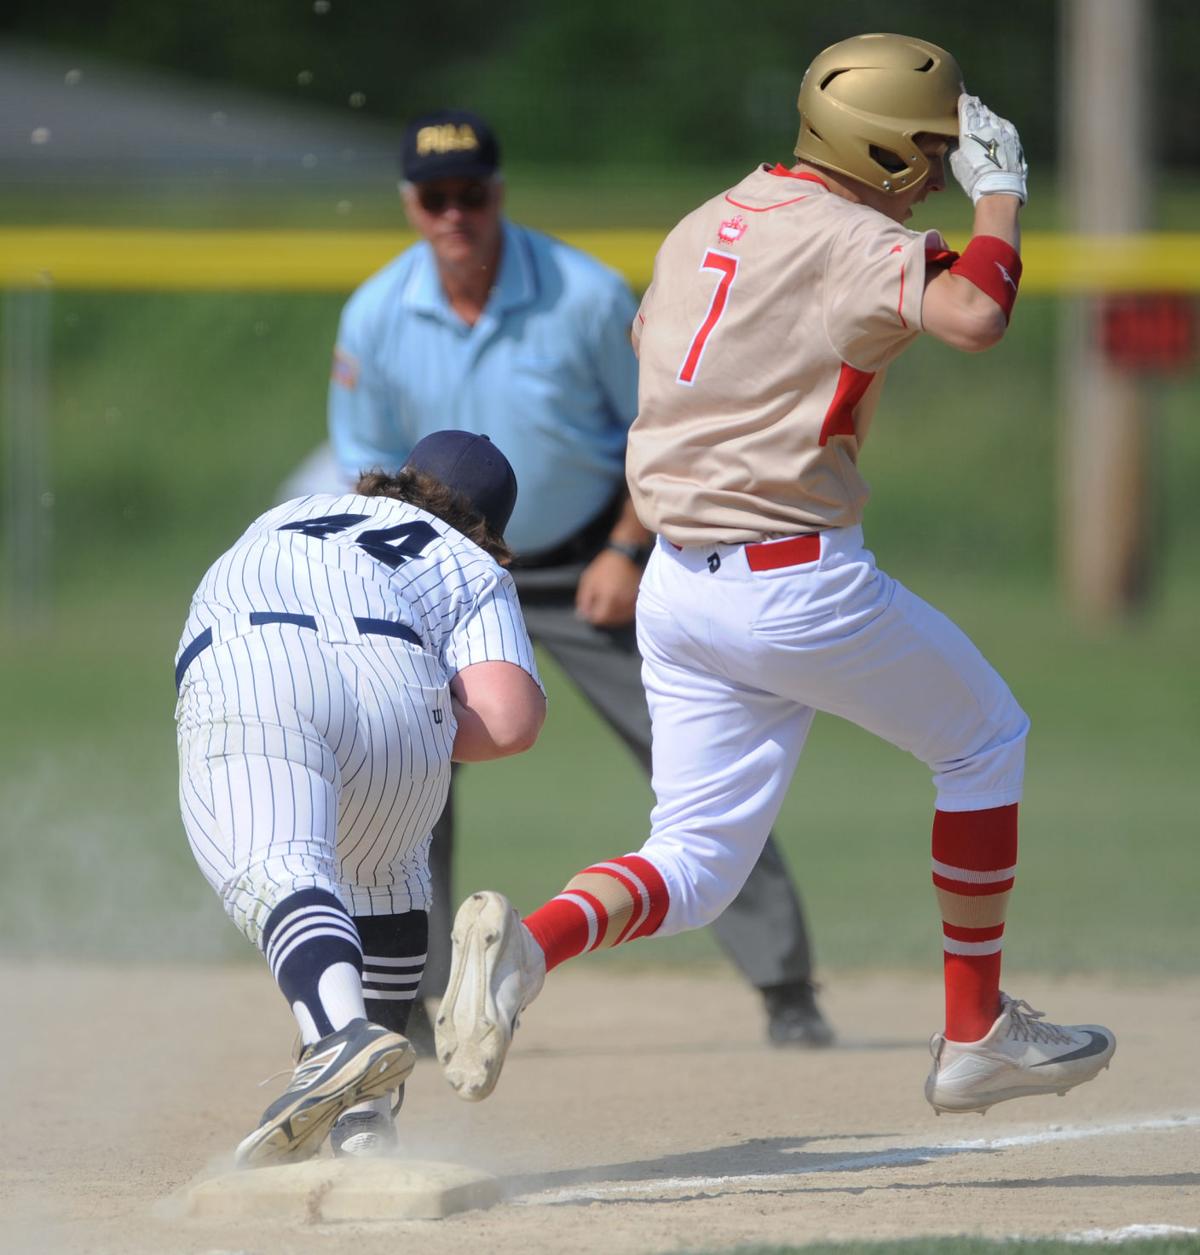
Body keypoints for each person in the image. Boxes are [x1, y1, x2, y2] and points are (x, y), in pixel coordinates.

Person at [433, 35, 1117, 1116]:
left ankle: (529, 949)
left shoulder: (708, 219)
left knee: (696, 863)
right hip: (797, 583)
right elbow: (977, 314)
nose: (941, 170)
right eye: (930, 150)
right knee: (987, 739)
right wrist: (1004, 201)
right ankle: (976, 1028)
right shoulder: (849, 238)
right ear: (880, 150)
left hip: (679, 589)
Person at [323, 106, 833, 1049]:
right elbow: (360, 464)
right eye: (435, 198)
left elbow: (662, 423)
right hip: (433, 578)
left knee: (699, 758)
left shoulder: (583, 295)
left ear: (498, 194)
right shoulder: (377, 314)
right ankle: (413, 1005)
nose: (454, 215)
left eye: (471, 193)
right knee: (407, 769)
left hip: (585, 561)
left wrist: (627, 549)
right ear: (411, 205)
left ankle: (785, 983)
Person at [174, 430, 546, 1165]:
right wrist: (422, 722)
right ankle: (367, 1124)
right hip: (405, 684)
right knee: (382, 874)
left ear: (394, 482)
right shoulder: (467, 559)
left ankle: (340, 1038)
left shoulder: (292, 512)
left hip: (254, 663)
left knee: (279, 868)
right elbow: (509, 720)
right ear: (490, 528)